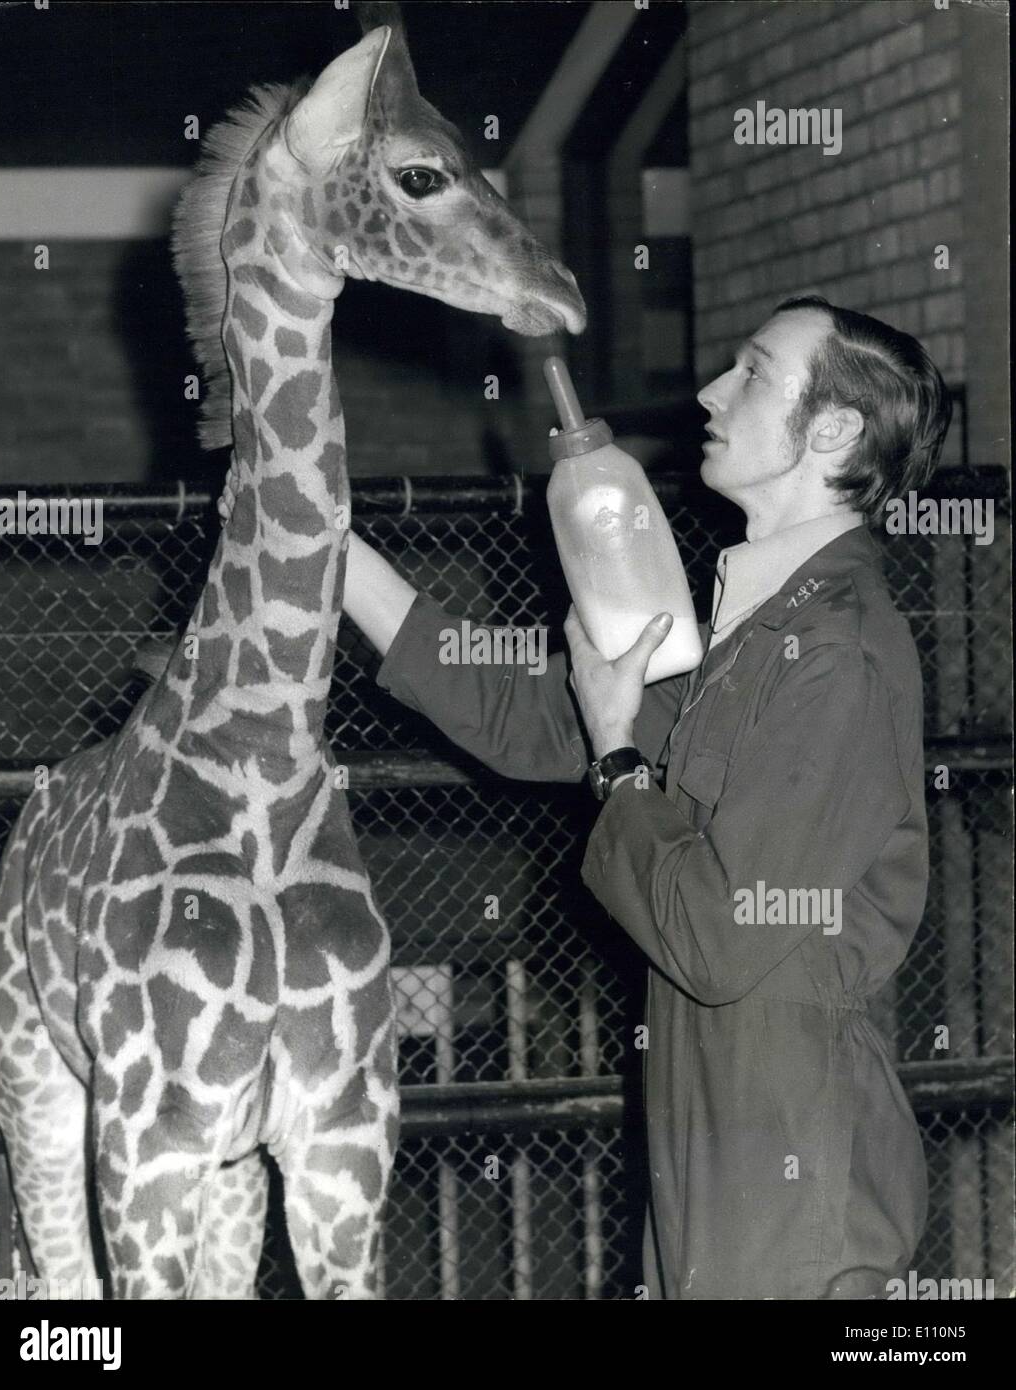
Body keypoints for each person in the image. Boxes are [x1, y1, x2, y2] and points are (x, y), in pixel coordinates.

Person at [227, 294, 953, 1299]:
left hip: (794, 1161)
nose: (707, 391)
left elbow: (717, 930)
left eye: (747, 372)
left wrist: (618, 755)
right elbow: (524, 714)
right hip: (712, 1130)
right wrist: (326, 541)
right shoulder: (745, 629)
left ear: (830, 431)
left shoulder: (837, 652)